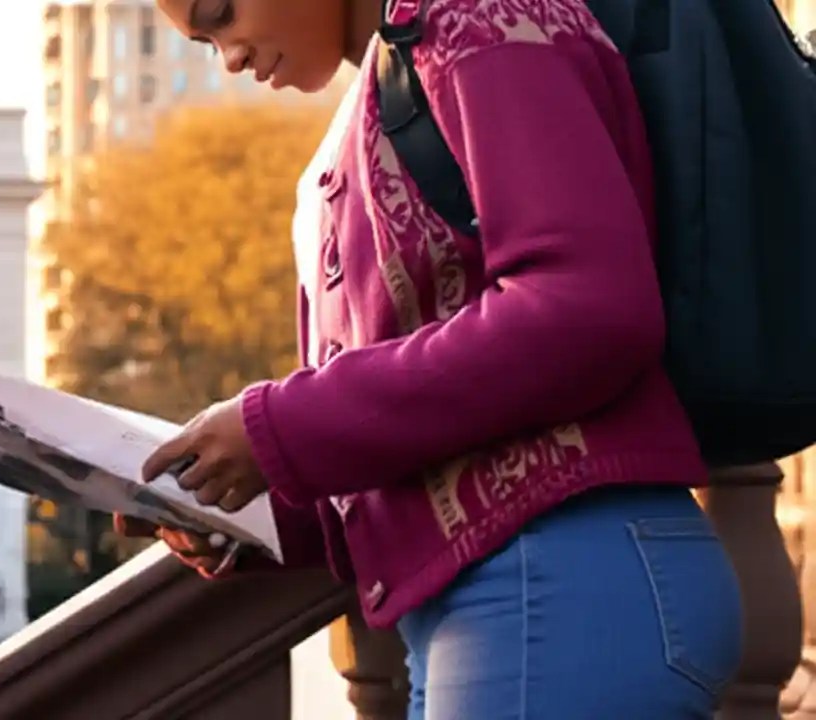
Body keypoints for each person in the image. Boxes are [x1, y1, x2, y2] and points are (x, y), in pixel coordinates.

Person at [116, 0, 745, 716]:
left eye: (221, 15)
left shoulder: (478, 25)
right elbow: (438, 416)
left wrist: (280, 426)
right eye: (203, 43)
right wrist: (251, 506)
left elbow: (586, 310)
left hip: (557, 584)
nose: (227, 57)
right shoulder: (390, 88)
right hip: (513, 603)